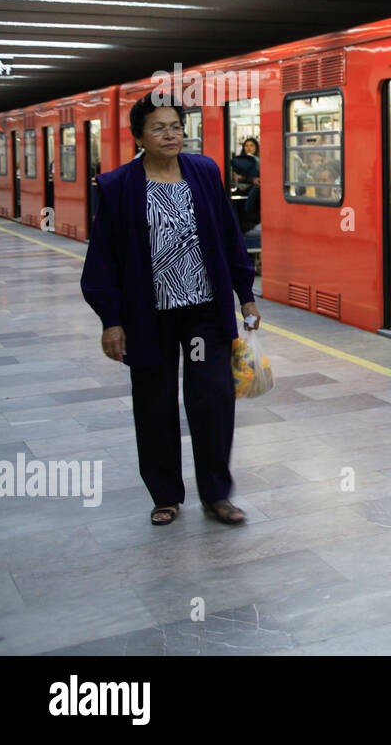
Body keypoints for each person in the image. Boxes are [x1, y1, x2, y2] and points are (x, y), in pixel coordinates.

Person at [80, 94, 260, 527]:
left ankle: (217, 494)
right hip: (149, 314)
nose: (171, 134)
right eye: (159, 127)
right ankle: (166, 495)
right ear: (139, 135)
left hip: (202, 312)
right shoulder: (119, 186)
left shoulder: (203, 171)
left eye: (177, 126)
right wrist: (111, 320)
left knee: (213, 401)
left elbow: (229, 238)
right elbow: (103, 258)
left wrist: (245, 295)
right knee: (155, 403)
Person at [230, 137, 260, 232]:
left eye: (252, 145)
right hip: (240, 189)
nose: (249, 148)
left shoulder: (258, 161)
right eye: (246, 146)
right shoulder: (238, 161)